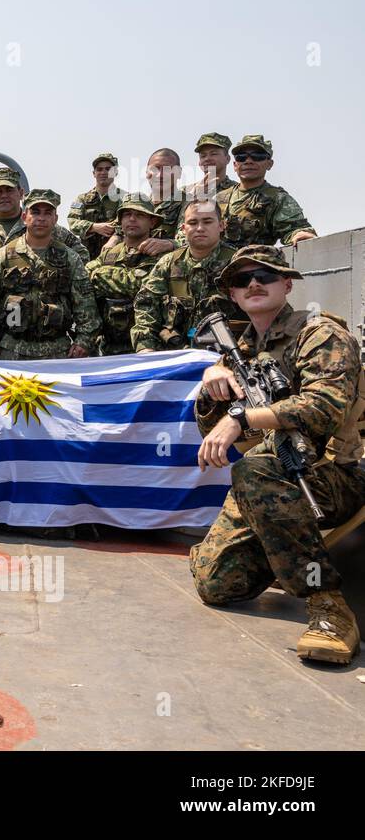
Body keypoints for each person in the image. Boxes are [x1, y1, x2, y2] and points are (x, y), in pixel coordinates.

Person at [192, 245, 365, 665]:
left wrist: (243, 418)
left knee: (252, 470)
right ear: (232, 295)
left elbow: (325, 406)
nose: (253, 283)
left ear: (287, 284)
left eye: (265, 275)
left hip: (334, 474)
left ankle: (328, 607)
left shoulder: (321, 334)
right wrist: (210, 385)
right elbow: (211, 434)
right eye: (241, 279)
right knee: (216, 584)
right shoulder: (240, 351)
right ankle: (277, 545)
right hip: (272, 477)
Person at [0, 189, 99, 360]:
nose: (41, 218)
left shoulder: (70, 258)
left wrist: (84, 340)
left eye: (48, 213)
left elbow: (85, 304)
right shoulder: (3, 256)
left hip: (57, 351)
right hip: (12, 350)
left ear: (55, 219)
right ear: (25, 217)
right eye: (35, 212)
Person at [131, 198, 239, 352]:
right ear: (183, 228)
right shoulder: (168, 263)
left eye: (207, 222)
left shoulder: (237, 263)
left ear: (221, 225)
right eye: (193, 223)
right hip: (175, 354)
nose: (200, 228)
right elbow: (146, 307)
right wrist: (145, 348)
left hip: (226, 354)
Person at [86, 199, 166, 356]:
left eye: (139, 215)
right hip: (109, 347)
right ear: (120, 222)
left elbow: (144, 285)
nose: (132, 219)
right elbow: (84, 276)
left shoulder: (162, 254)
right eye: (127, 214)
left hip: (151, 347)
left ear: (152, 221)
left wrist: (101, 275)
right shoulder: (110, 254)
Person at [213, 135, 316, 248]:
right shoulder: (219, 198)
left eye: (257, 156)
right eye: (241, 157)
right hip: (216, 264)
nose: (248, 161)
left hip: (252, 263)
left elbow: (295, 228)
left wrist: (298, 234)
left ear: (269, 164)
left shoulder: (277, 198)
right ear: (235, 165)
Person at [0, 167, 90, 259]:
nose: (4, 196)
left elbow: (81, 255)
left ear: (21, 193)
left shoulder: (45, 227)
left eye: (9, 190)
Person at [67, 152, 121, 259]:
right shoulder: (82, 199)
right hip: (86, 256)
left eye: (108, 169)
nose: (103, 172)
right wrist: (93, 227)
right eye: (99, 169)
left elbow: (128, 224)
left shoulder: (124, 198)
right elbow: (72, 222)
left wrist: (114, 232)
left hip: (115, 255)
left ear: (115, 172)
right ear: (94, 173)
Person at [182, 132, 236, 205]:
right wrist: (192, 198)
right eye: (203, 156)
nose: (207, 159)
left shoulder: (238, 191)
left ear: (227, 159)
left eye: (213, 154)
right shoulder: (186, 191)